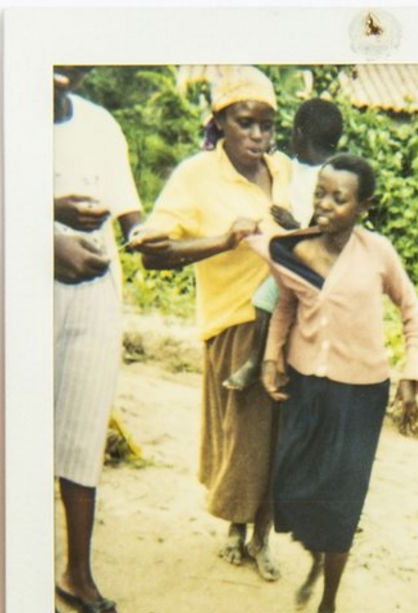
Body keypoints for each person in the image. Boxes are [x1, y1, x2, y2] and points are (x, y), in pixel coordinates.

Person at [256, 153, 418, 613]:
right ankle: (316, 556)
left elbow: (412, 312)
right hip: (307, 387)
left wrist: (412, 374)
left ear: (364, 207)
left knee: (341, 501)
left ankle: (328, 602)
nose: (326, 205)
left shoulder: (378, 254)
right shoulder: (296, 250)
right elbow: (286, 304)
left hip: (360, 396)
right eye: (321, 195)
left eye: (340, 198)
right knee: (292, 489)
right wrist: (272, 359)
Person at [129, 66, 292, 580]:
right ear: (220, 120)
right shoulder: (196, 176)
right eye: (246, 123)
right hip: (233, 323)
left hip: (292, 321)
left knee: (278, 435)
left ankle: (261, 535)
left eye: (267, 125)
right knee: (242, 434)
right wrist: (222, 240)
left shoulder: (284, 170)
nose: (259, 136)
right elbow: (151, 254)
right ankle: (237, 528)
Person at [53, 66, 143, 613]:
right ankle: (18, 590)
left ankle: (75, 573)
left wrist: (148, 237)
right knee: (14, 446)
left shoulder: (100, 124)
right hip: (14, 298)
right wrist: (42, 227)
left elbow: (129, 214)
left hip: (92, 300)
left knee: (82, 435)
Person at [224, 98, 344, 392]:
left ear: (299, 134)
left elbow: (323, 233)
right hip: (297, 253)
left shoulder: (329, 179)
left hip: (313, 259)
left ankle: (256, 361)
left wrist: (293, 226)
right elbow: (285, 163)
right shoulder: (299, 166)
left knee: (264, 300)